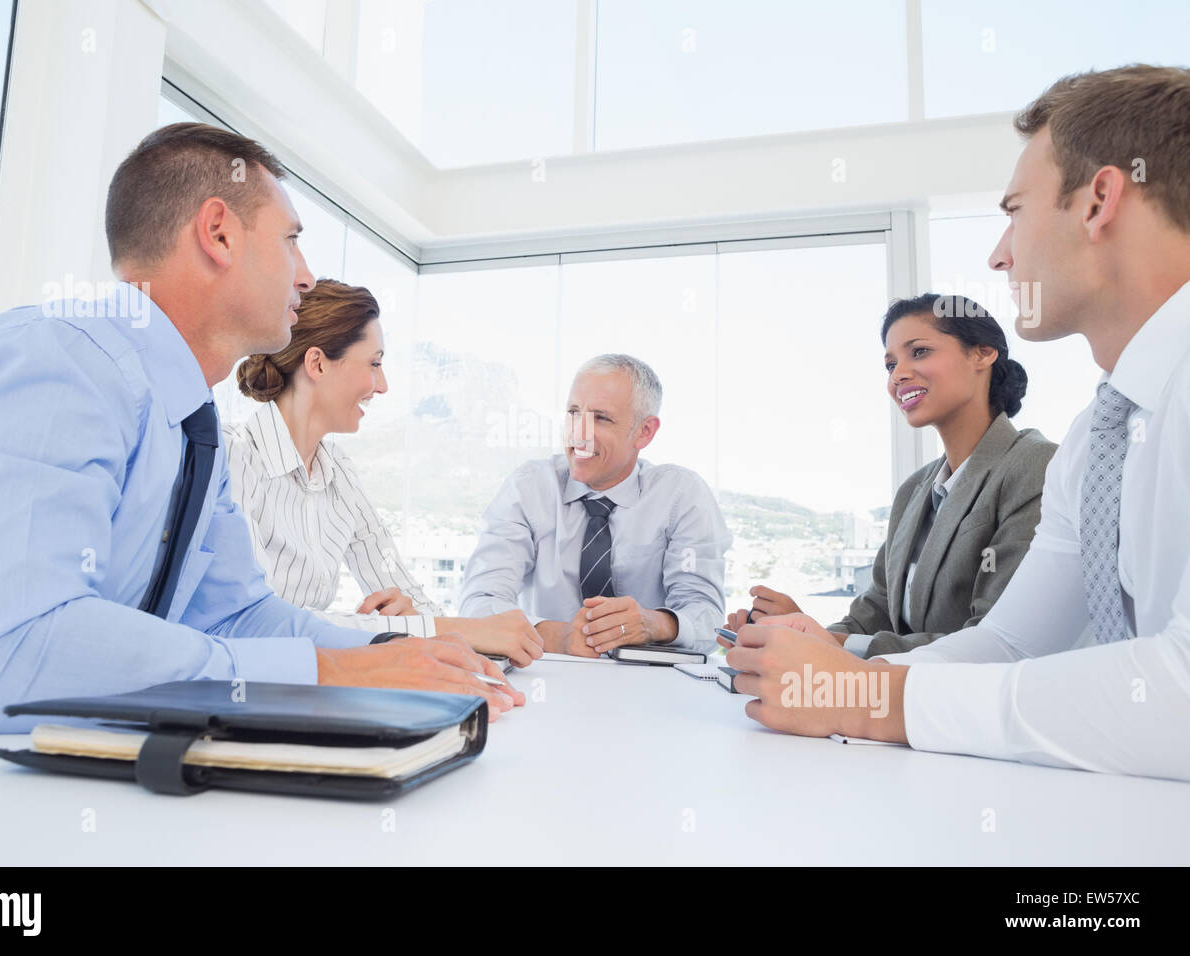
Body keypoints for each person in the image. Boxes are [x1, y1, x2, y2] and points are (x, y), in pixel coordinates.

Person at [0, 122, 521, 734]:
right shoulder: (53, 364)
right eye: (290, 241)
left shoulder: (192, 423)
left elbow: (235, 615)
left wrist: (392, 657)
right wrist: (327, 672)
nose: (305, 276)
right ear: (218, 233)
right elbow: (11, 655)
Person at [721, 65, 1190, 781]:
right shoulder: (1096, 443)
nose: (999, 254)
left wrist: (866, 698)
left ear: (1099, 200)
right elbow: (1010, 643)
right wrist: (833, 677)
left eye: (1014, 211)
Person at [225, 278, 545, 666]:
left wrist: (412, 618)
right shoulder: (235, 457)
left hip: (315, 680)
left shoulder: (339, 474)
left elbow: (414, 600)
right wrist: (436, 630)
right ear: (318, 363)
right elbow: (255, 622)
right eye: (374, 364)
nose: (383, 385)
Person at [728, 294, 1056, 657]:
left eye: (919, 352)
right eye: (889, 364)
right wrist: (796, 631)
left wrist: (825, 642)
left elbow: (995, 639)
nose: (898, 375)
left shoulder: (1034, 466)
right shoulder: (913, 491)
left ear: (982, 352)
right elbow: (874, 614)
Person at [459, 354, 731, 656]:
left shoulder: (681, 495)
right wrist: (558, 637)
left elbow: (708, 618)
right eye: (574, 413)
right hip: (547, 675)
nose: (579, 434)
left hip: (650, 686)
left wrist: (655, 624)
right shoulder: (529, 487)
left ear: (645, 432)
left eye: (601, 418)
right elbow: (478, 603)